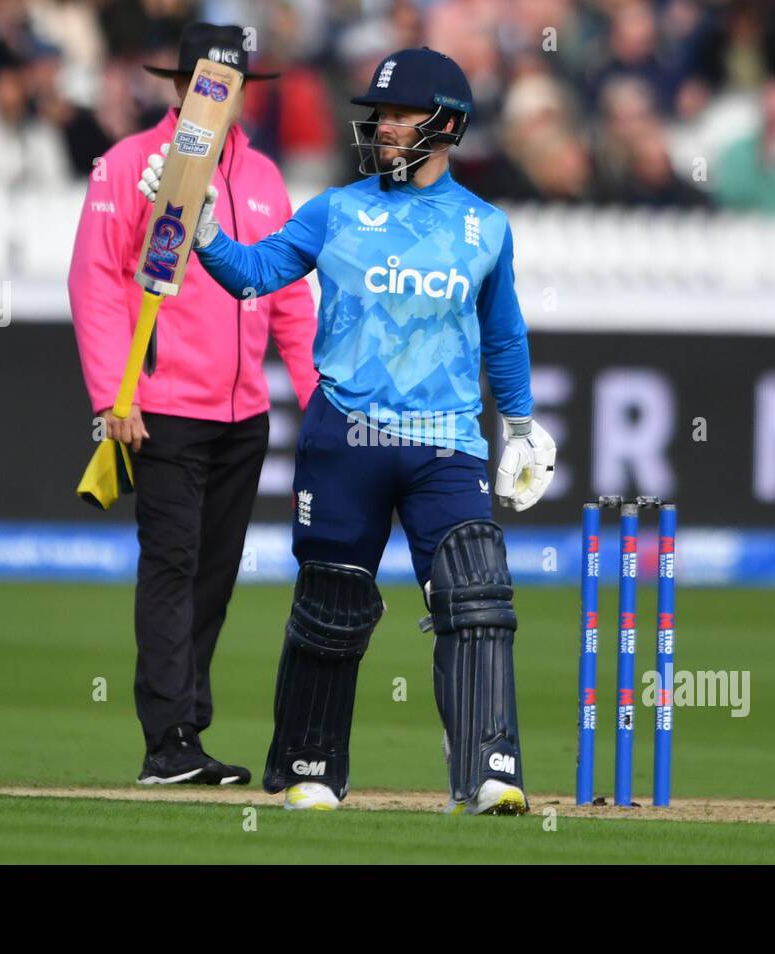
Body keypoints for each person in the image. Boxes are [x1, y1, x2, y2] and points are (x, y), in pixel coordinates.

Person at [138, 46, 556, 814]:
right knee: (331, 602)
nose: (385, 127)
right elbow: (256, 274)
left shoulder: (484, 227)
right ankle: (311, 768)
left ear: (449, 124)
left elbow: (504, 334)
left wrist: (523, 426)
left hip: (445, 442)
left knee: (476, 595)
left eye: (401, 114)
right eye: (381, 114)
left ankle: (489, 766)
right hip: (346, 436)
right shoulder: (337, 209)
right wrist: (199, 232)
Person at [69, 23, 318, 786]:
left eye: (233, 84)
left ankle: (184, 732)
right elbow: (96, 283)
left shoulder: (267, 178)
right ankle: (167, 738)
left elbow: (287, 300)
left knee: (213, 574)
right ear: (178, 88)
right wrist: (117, 394)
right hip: (165, 407)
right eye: (209, 81)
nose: (221, 96)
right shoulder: (129, 165)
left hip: (244, 415)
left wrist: (318, 399)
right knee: (173, 569)